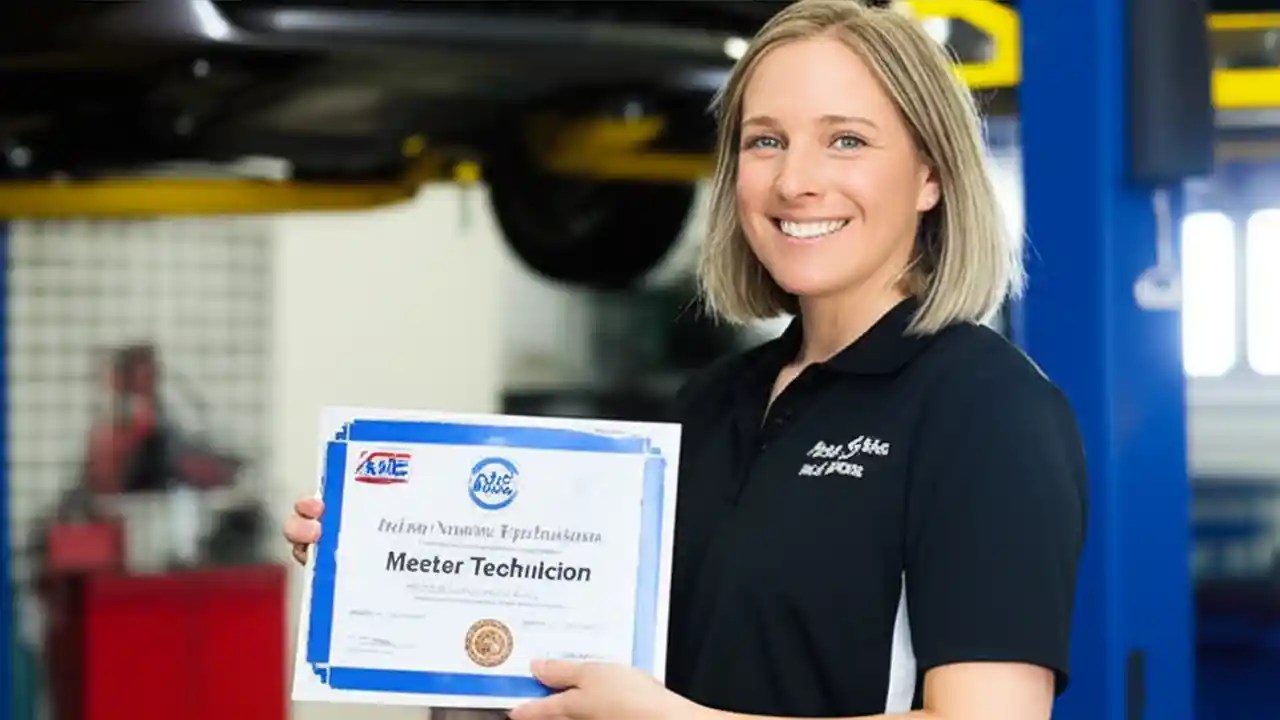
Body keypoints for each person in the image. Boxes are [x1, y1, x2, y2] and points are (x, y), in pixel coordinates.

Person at [284, 1, 1088, 718]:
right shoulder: (707, 406)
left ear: (931, 178)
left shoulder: (987, 409)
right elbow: (577, 658)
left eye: (846, 140)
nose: (795, 181)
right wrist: (387, 561)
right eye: (765, 141)